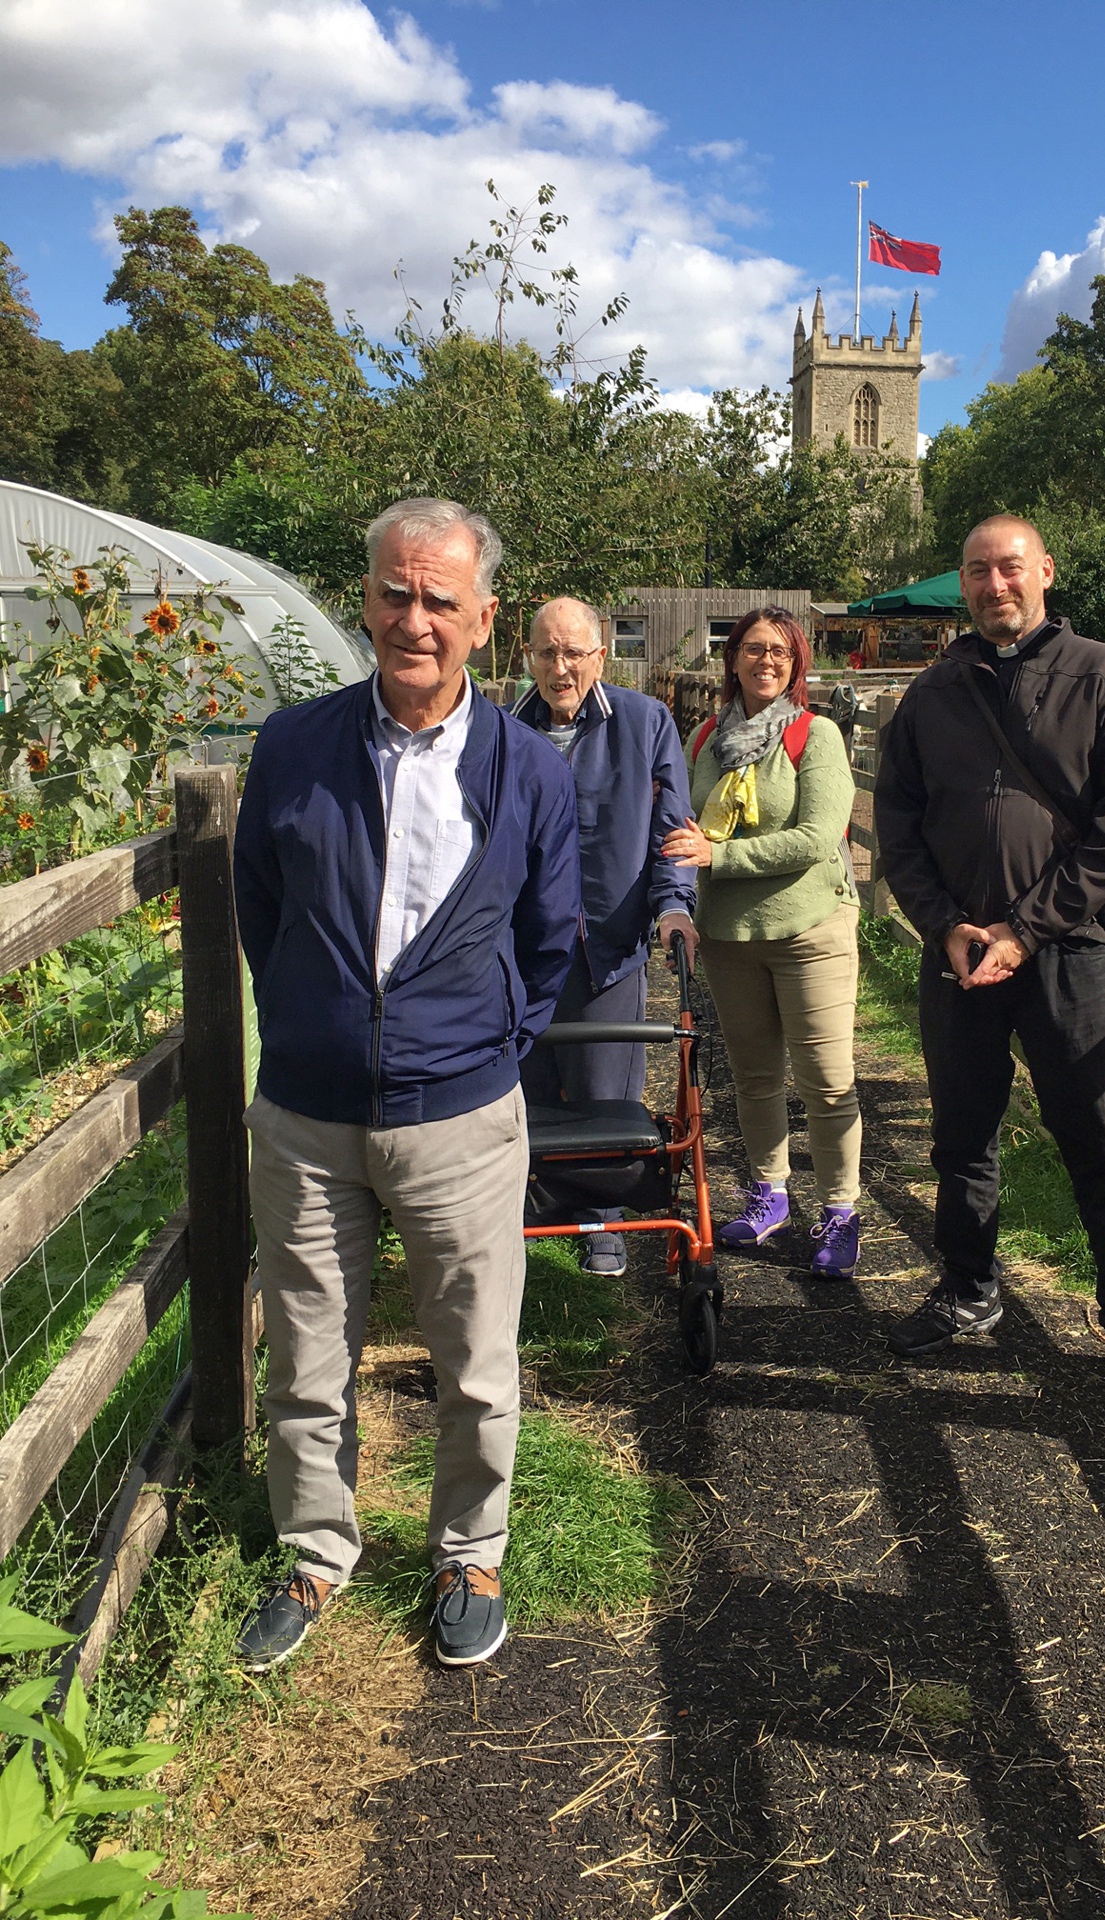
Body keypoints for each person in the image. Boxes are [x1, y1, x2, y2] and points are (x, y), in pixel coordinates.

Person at [232, 497, 580, 1672]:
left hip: (461, 1118)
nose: (414, 619)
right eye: (395, 592)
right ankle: (315, 1551)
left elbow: (549, 936)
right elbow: (260, 909)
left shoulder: (526, 767)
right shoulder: (292, 746)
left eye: (441, 599)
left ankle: (468, 1551)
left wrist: (478, 1046)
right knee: (306, 1351)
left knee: (476, 1359)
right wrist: (308, 1023)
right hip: (305, 1115)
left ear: (487, 620)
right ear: (365, 597)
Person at [873, 515, 1105, 1421]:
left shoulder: (1103, 677)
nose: (993, 584)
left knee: (1099, 1144)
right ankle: (968, 1287)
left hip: (1067, 952)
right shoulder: (932, 693)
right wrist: (946, 930)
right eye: (977, 571)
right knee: (963, 1137)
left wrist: (1027, 928)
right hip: (961, 957)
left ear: (1045, 569)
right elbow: (901, 829)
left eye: (1009, 567)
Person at [662, 606, 863, 1278]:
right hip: (729, 936)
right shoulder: (704, 739)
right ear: (734, 659)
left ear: (796, 661)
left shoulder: (816, 735)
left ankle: (839, 1212)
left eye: (779, 650)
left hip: (809, 931)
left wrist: (717, 860)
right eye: (753, 648)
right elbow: (683, 828)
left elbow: (816, 838)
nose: (765, 661)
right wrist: (679, 899)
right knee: (754, 1077)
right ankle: (769, 1193)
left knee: (827, 1082)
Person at [512, 597, 697, 1275]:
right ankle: (533, 1209)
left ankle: (603, 1222)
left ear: (599, 656)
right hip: (525, 944)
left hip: (607, 943)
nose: (559, 668)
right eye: (545, 653)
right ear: (526, 656)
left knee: (602, 1085)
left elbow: (673, 835)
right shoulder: (506, 732)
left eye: (572, 653)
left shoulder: (645, 724)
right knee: (527, 1085)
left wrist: (675, 907)